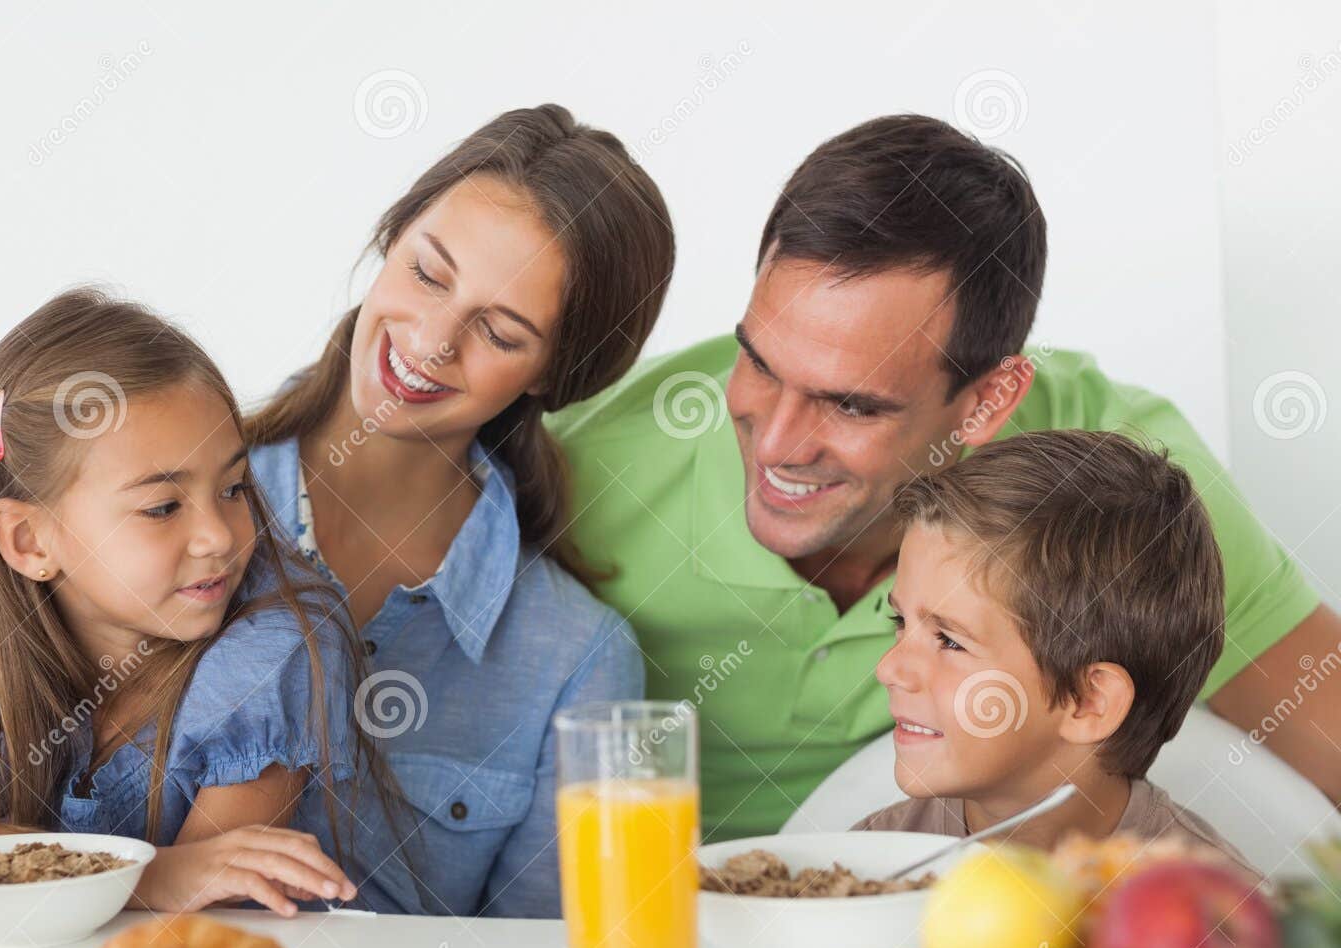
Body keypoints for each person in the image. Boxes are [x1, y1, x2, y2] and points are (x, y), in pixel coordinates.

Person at [549, 113, 1337, 842]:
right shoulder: (582, 465)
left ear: (988, 400)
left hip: (976, 944)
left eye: (852, 405)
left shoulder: (1123, 498)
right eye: (757, 360)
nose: (779, 442)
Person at [244, 105, 675, 916]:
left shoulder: (578, 665)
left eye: (500, 332)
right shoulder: (155, 512)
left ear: (554, 375)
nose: (434, 340)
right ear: (392, 233)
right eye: (428, 273)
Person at [0, 287, 387, 915]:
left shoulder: (275, 649)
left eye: (236, 487)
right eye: (162, 507)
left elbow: (215, 906)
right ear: (29, 541)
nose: (219, 537)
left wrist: (10, 864)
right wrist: (148, 876)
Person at [854, 429, 1249, 871]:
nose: (890, 669)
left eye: (949, 640)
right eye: (899, 622)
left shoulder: (1218, 920)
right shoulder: (860, 875)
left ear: (1089, 701)